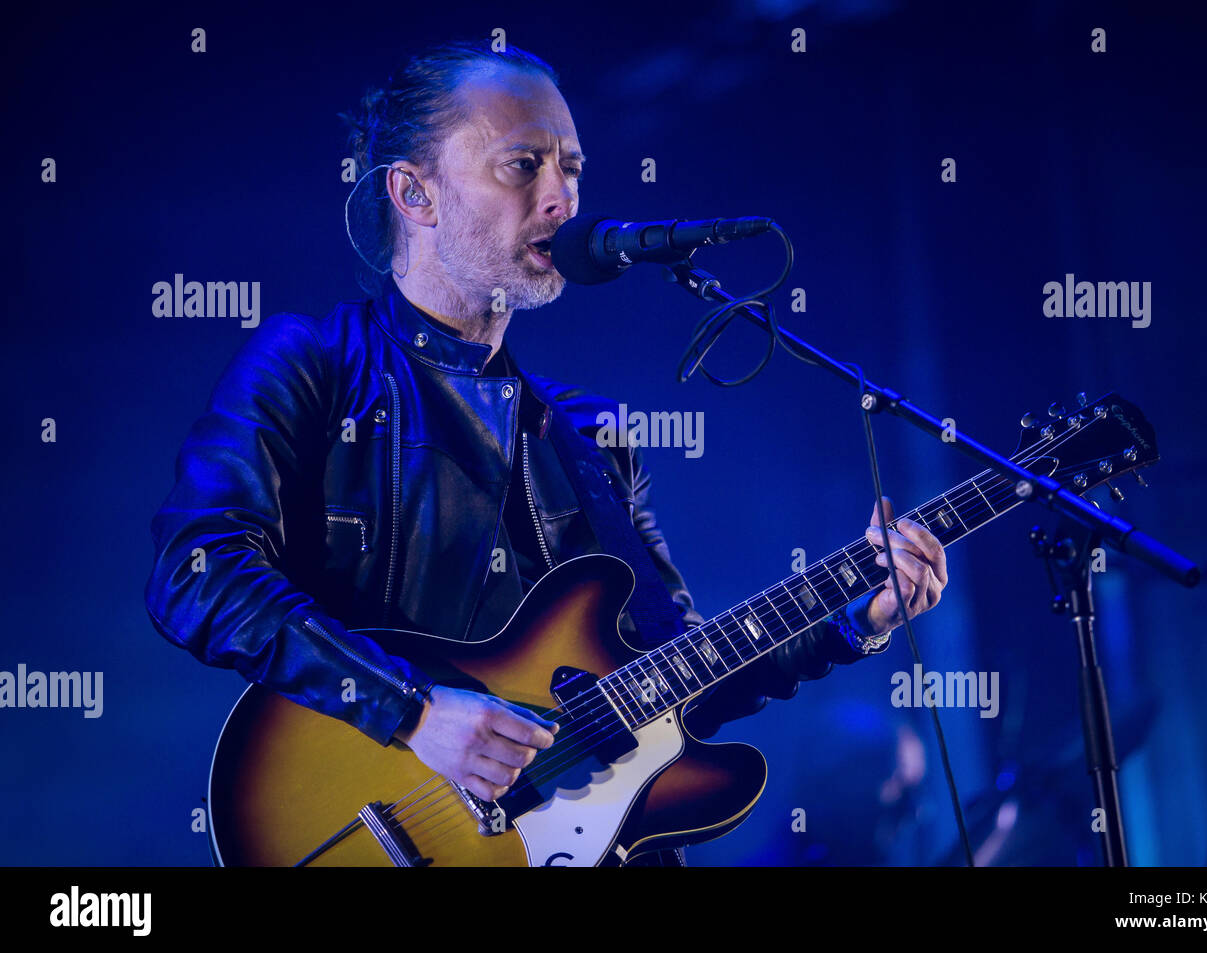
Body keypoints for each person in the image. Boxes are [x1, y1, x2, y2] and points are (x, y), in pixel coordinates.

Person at [144, 39, 948, 865]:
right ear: (413, 191)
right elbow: (194, 571)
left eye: (571, 167)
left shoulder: (590, 435)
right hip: (374, 823)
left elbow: (677, 675)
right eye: (523, 165)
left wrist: (851, 618)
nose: (561, 197)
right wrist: (414, 710)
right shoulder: (307, 364)